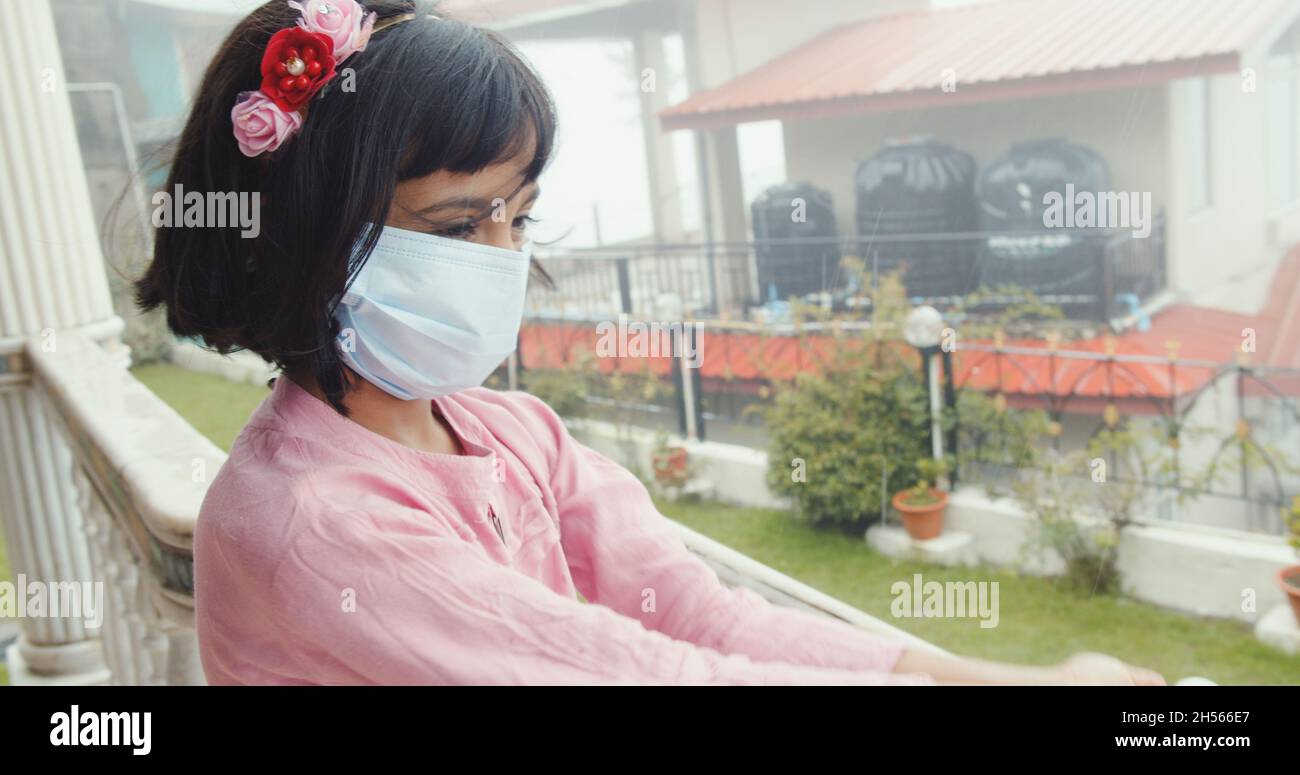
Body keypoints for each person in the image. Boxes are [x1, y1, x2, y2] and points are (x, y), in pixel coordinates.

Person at [136, 0, 1165, 686]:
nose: (498, 258)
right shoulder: (314, 520)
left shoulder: (508, 429)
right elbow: (619, 666)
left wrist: (1004, 679)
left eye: (518, 217)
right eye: (458, 226)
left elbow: (690, 611)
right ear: (312, 237)